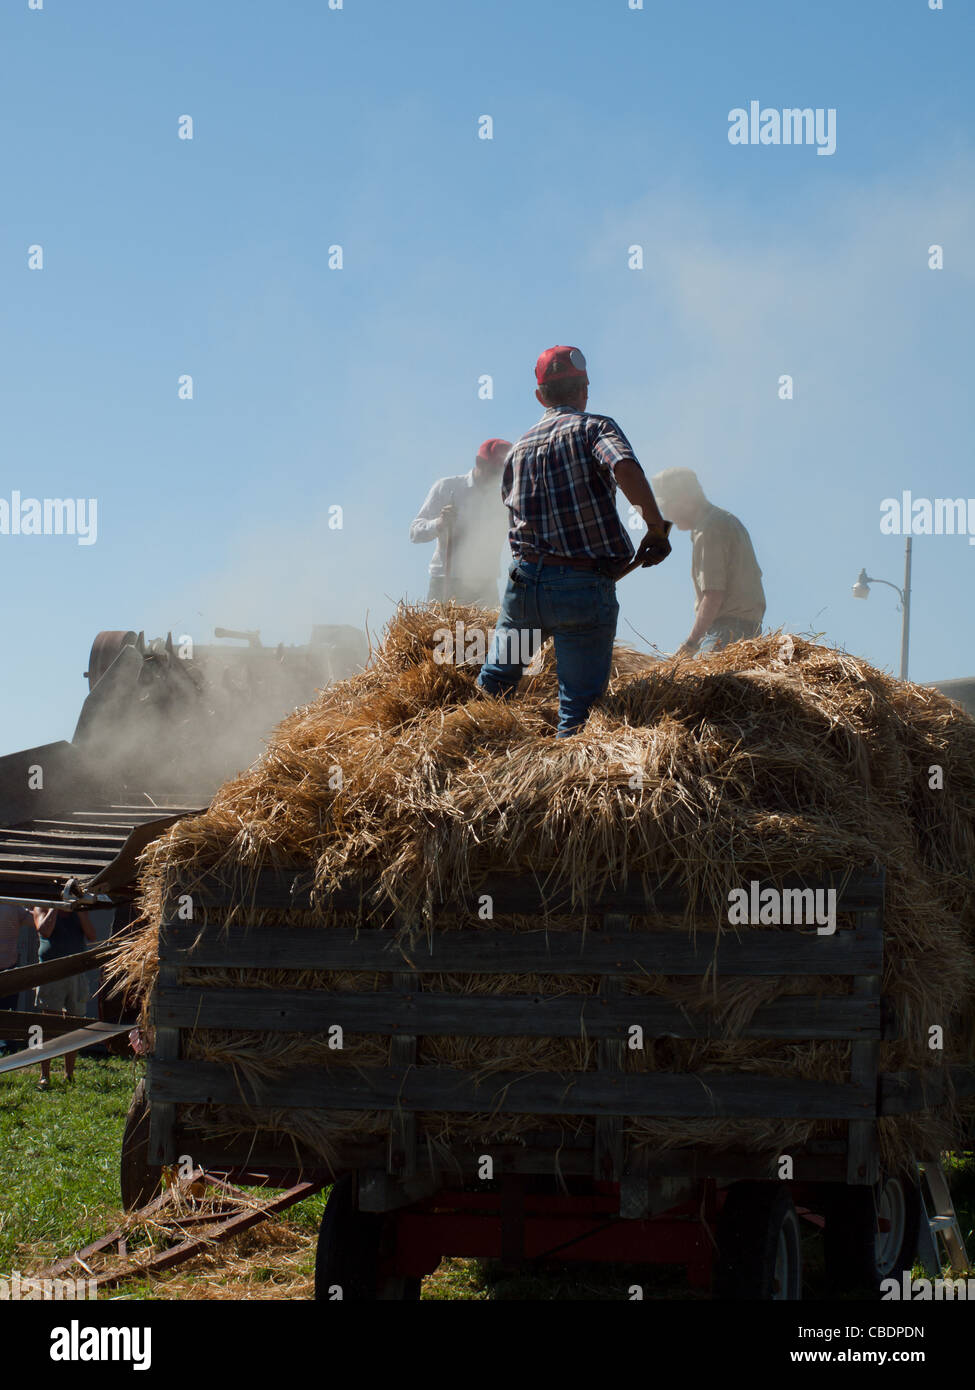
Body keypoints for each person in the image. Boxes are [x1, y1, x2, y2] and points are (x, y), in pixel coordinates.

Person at [477, 345, 671, 736]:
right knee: (578, 710)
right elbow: (624, 466)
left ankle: (467, 751)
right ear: (585, 389)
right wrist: (654, 526)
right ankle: (563, 783)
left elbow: (510, 512)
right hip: (582, 590)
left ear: (539, 396)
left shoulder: (518, 450)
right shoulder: (595, 427)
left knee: (496, 681)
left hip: (525, 588)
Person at [650, 467, 765, 654]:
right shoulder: (724, 520)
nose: (667, 516)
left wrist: (691, 643)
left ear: (685, 499)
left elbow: (713, 595)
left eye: (667, 507)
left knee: (707, 683)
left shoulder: (710, 529)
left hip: (726, 632)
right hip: (748, 629)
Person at [410, 438, 512, 607]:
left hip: (485, 585)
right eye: (495, 471)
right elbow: (414, 532)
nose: (498, 477)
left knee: (487, 634)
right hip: (446, 582)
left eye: (502, 472)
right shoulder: (447, 487)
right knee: (440, 634)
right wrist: (439, 523)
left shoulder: (504, 499)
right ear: (479, 462)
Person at [32, 894, 96, 1088]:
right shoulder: (41, 906)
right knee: (49, 1023)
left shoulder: (79, 911)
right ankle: (45, 1074)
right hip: (52, 972)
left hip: (76, 971)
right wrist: (55, 907)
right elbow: (44, 931)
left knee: (74, 1023)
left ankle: (69, 1074)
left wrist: (80, 911)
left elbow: (92, 936)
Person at [0, 903, 32, 1054]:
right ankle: (6, 1045)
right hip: (9, 965)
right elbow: (32, 920)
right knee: (9, 1010)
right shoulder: (13, 905)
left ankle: (6, 1045)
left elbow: (32, 920)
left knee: (8, 1009)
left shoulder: (13, 905)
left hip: (8, 965)